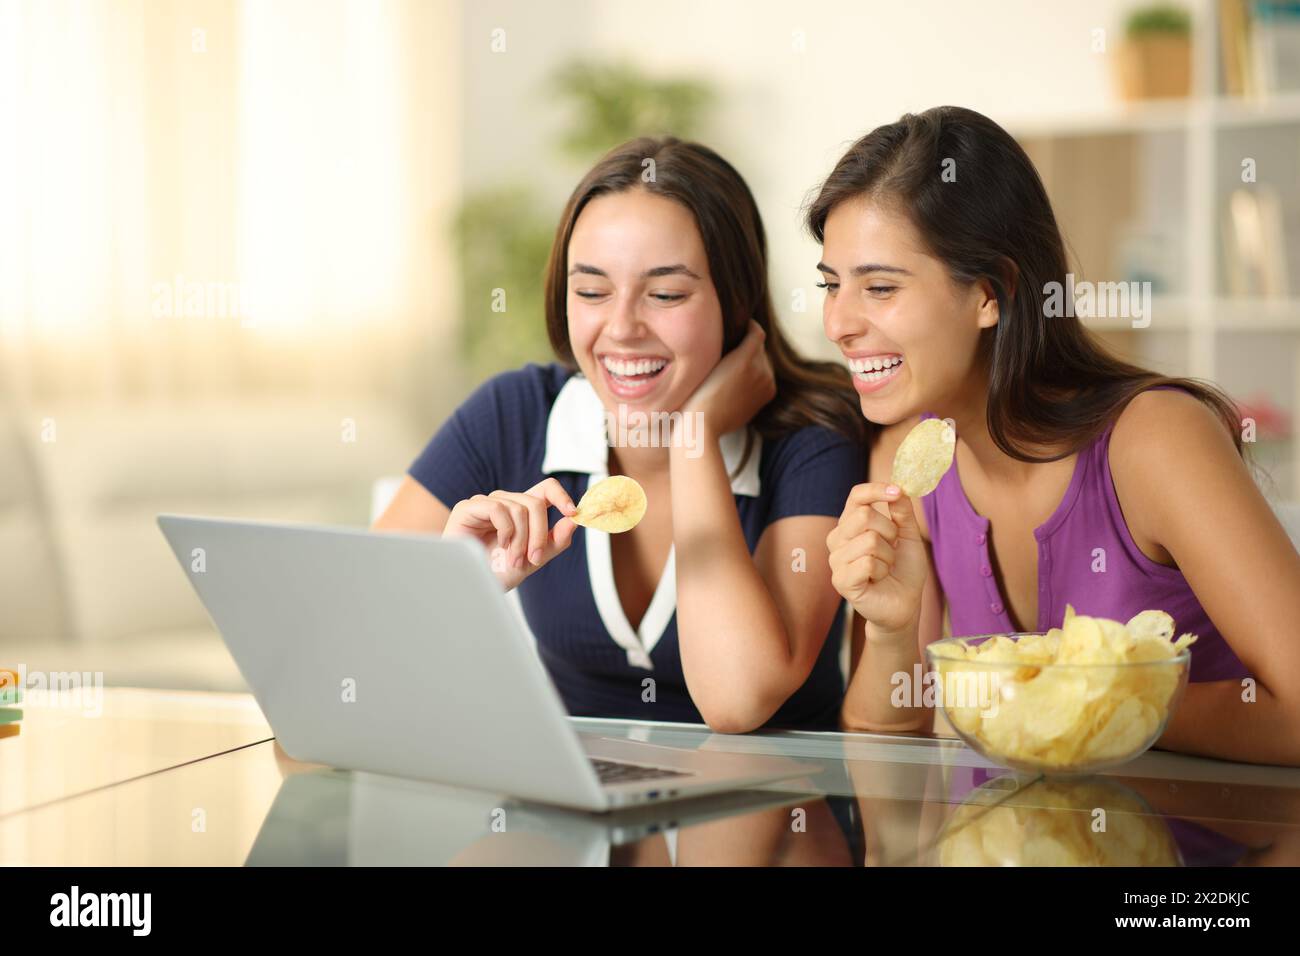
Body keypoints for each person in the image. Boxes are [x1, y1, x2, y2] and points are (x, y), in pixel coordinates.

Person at [814, 106, 1300, 765]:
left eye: (878, 286)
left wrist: (1063, 696)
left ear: (991, 293)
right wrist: (891, 629)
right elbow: (885, 758)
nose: (838, 322)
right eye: (831, 285)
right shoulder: (911, 461)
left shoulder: (1156, 440)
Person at [376, 136, 869, 732]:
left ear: (736, 301)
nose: (621, 328)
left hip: (777, 812)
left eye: (665, 294)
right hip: (576, 810)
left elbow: (738, 699)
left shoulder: (814, 434)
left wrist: (694, 439)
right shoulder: (514, 415)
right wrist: (464, 587)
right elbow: (347, 665)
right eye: (590, 291)